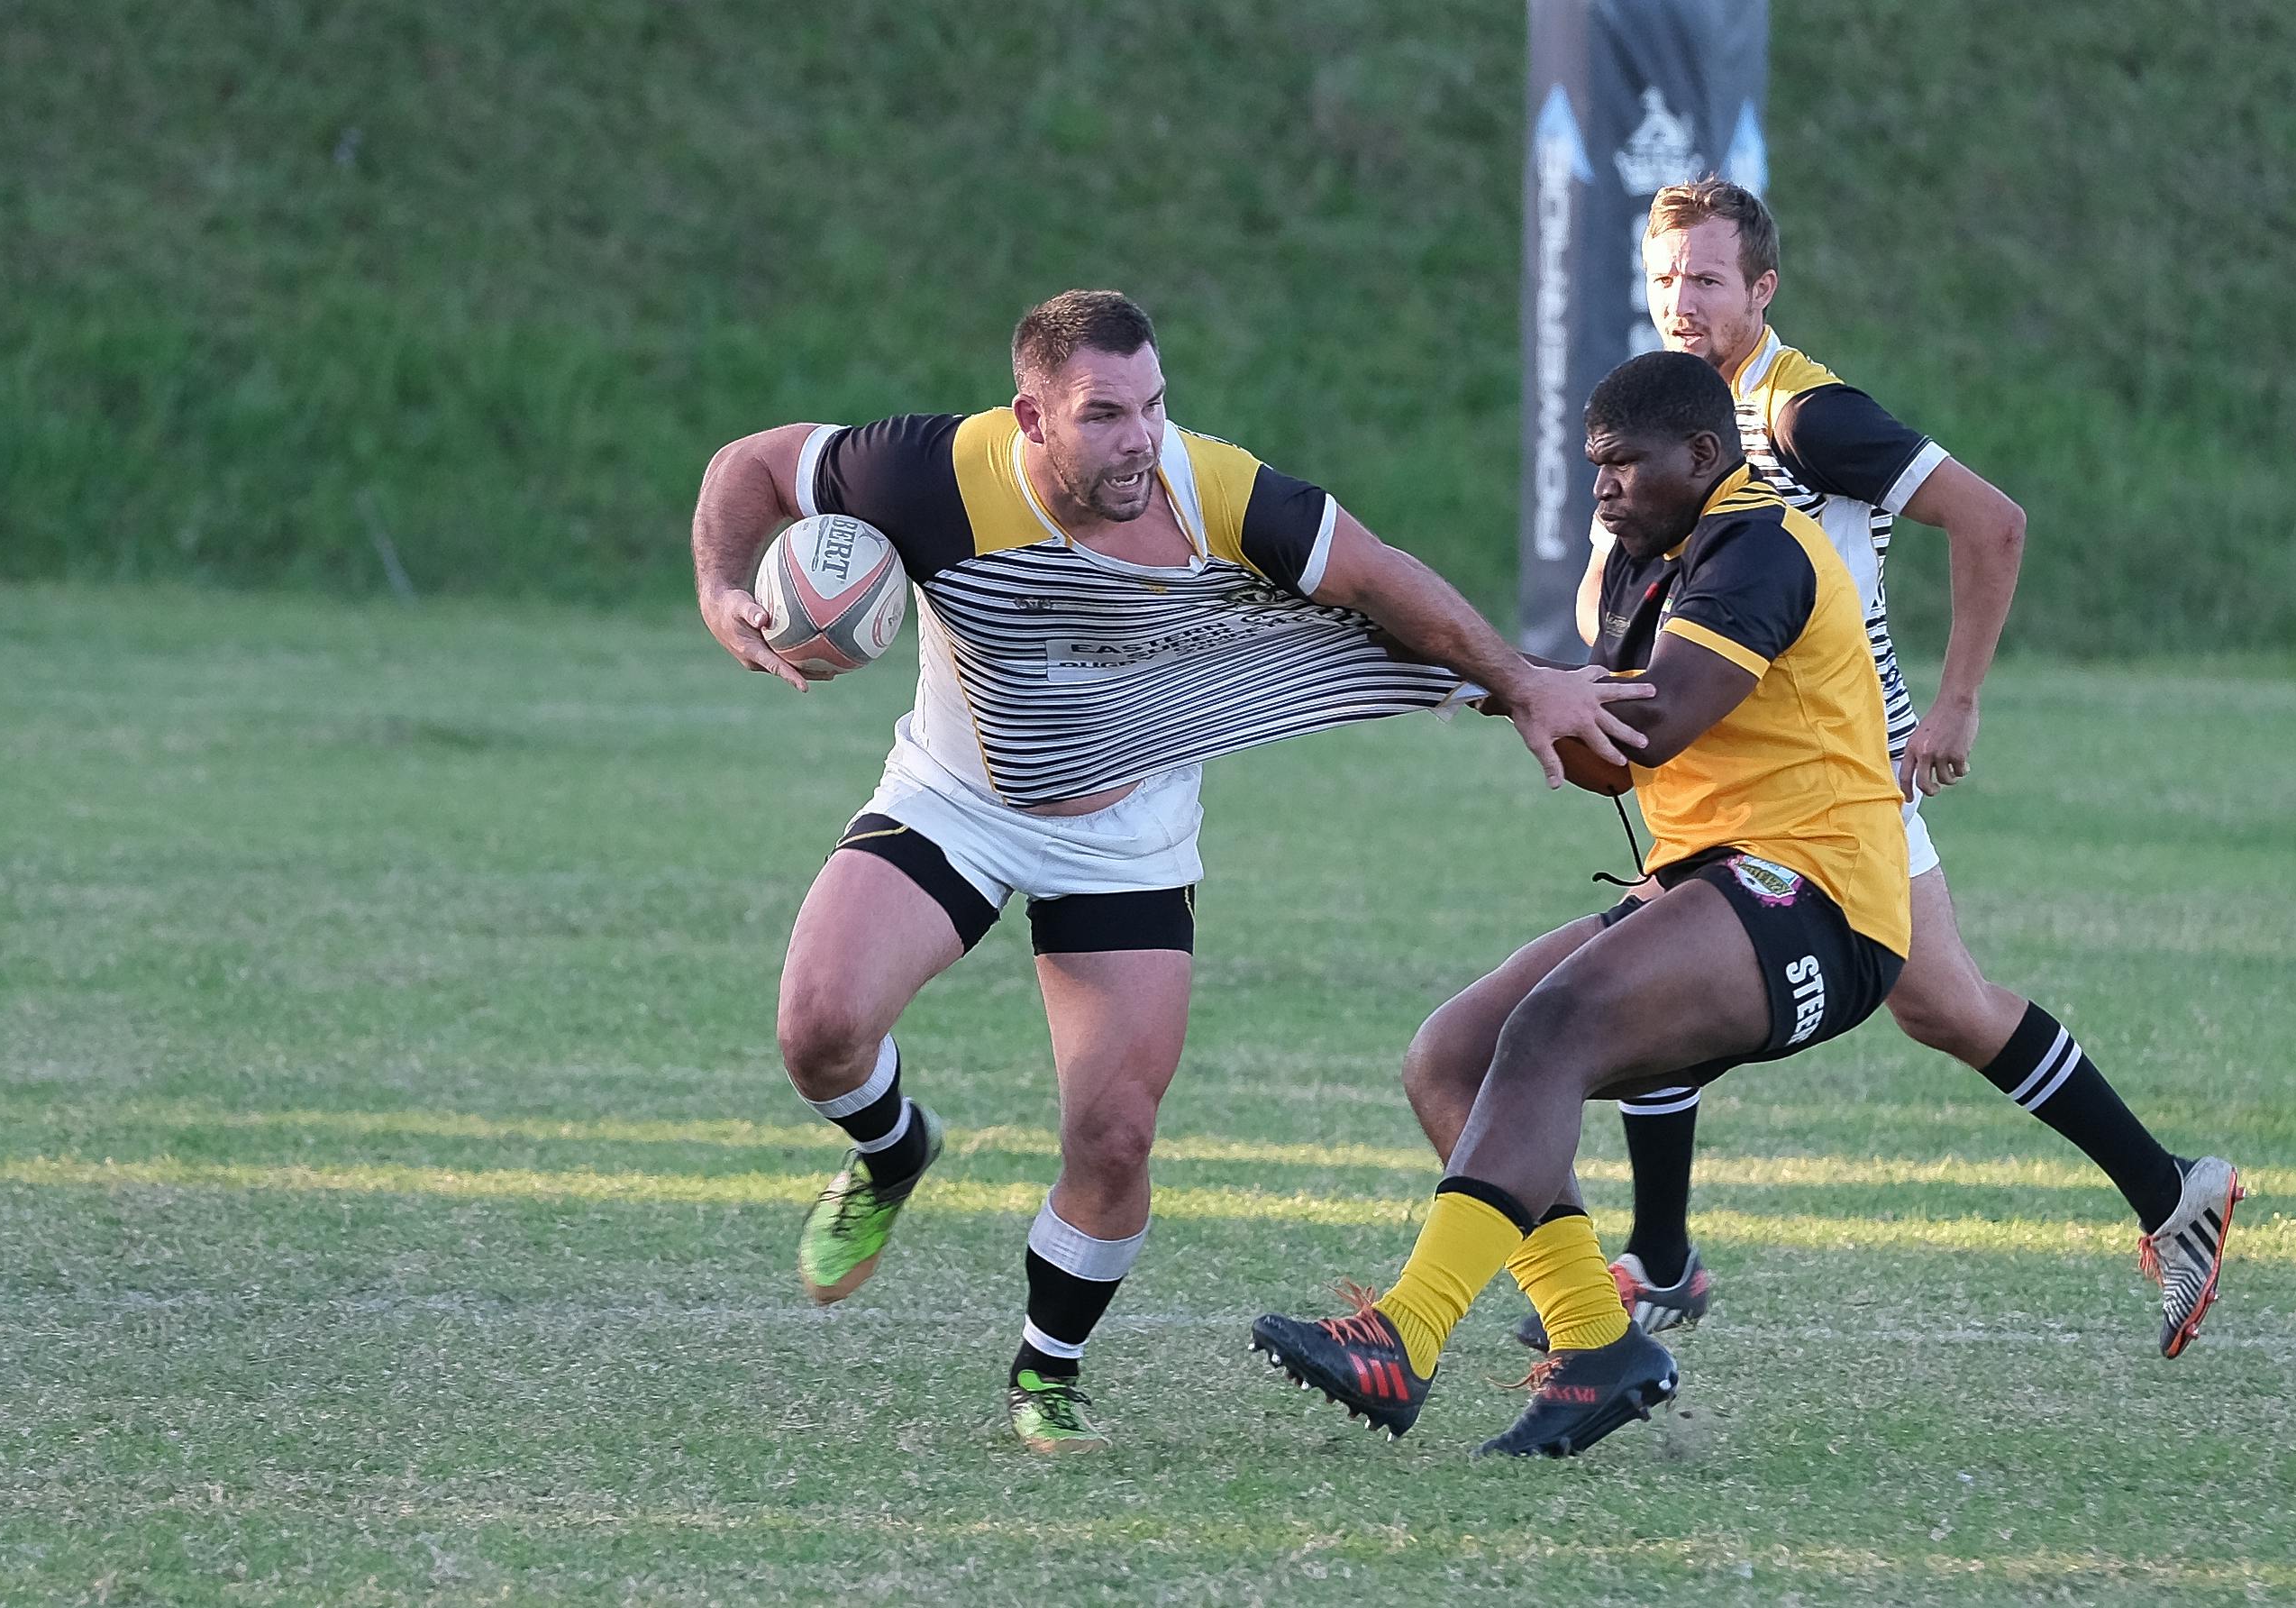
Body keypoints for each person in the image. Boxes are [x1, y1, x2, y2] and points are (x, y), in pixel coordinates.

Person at [688, 289, 1646, 1450]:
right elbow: (752, 465)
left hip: (1125, 830)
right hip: (958, 797)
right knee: (817, 1028)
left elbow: (1381, 580)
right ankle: (893, 1150)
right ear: (1029, 416)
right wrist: (722, 588)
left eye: (1153, 405)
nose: (1140, 437)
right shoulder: (928, 473)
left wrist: (1523, 680)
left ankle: (1046, 1369)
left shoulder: (1220, 493)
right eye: (1103, 414)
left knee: (1114, 1136)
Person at [1536, 178, 2241, 1359]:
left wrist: (1956, 704)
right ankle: (2172, 1194)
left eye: (1707, 278)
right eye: (1665, 279)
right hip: (1746, 767)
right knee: (1934, 1005)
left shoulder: (1805, 417)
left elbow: (1993, 522)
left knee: (1687, 982)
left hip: (1831, 772)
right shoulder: (1676, 419)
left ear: (1762, 289)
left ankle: (2173, 1194)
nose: (1681, 300)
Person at [1250, 349, 1911, 1457]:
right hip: (1716, 879)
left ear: (1704, 457)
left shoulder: (1759, 547)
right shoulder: (1656, 558)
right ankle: (1597, 1343)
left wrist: (1476, 666)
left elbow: (1641, 731)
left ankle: (1406, 1335)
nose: (1601, 488)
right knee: (1451, 1055)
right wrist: (1461, 665)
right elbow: (1606, 752)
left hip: (1822, 897)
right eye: (1592, 465)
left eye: (1624, 465)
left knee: (1555, 1024)